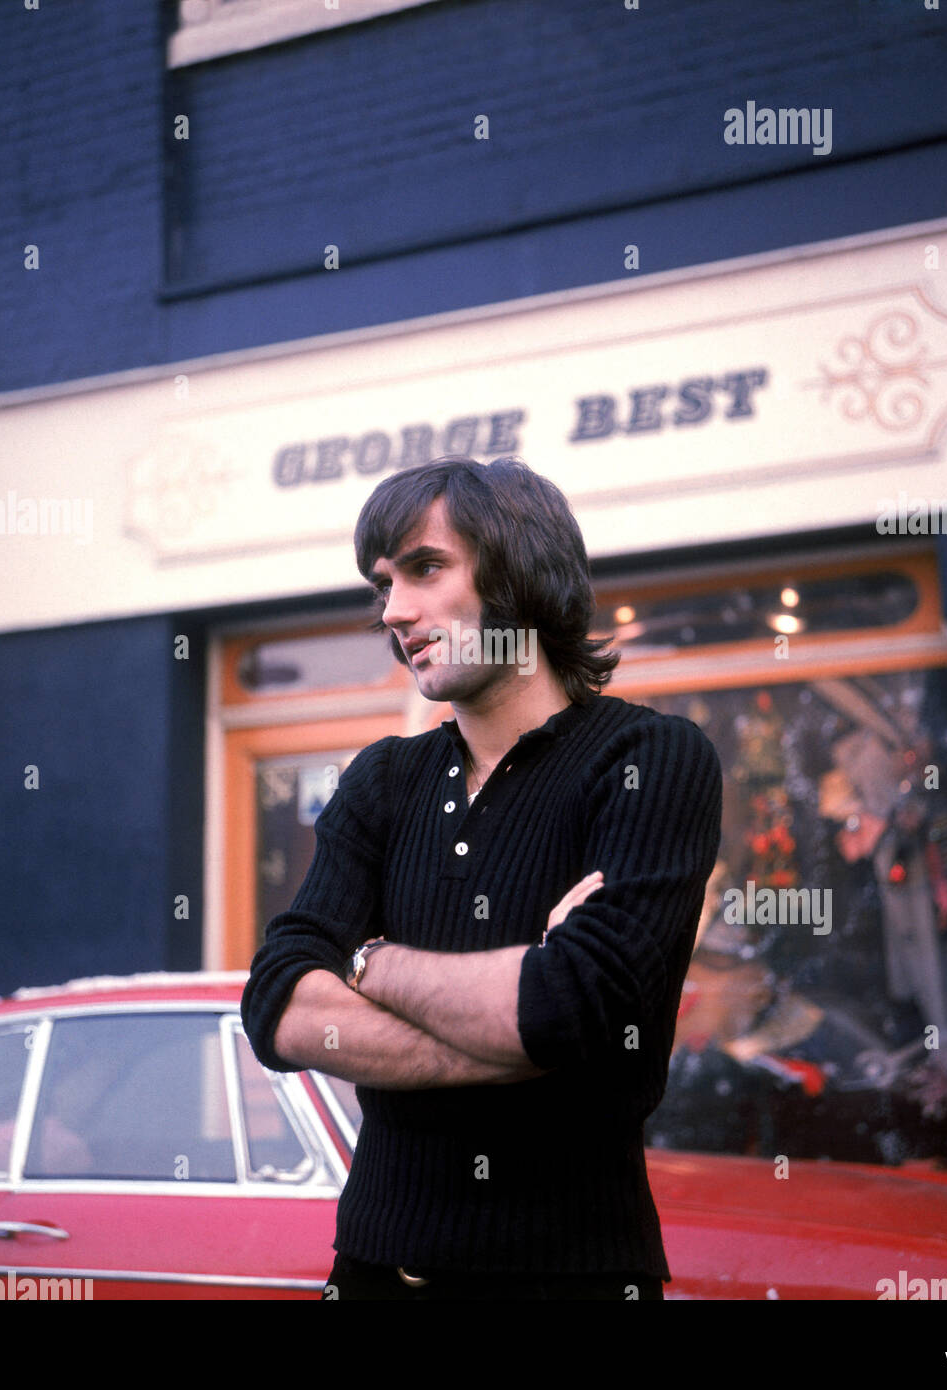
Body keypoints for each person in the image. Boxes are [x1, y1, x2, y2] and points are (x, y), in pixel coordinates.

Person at [241, 455, 722, 1300]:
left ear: (519, 571)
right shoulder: (382, 780)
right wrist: (518, 1021)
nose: (394, 611)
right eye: (382, 582)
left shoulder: (646, 759)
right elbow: (276, 1003)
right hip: (373, 1272)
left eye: (426, 568)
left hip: (571, 1277)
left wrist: (368, 964)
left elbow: (575, 1005)